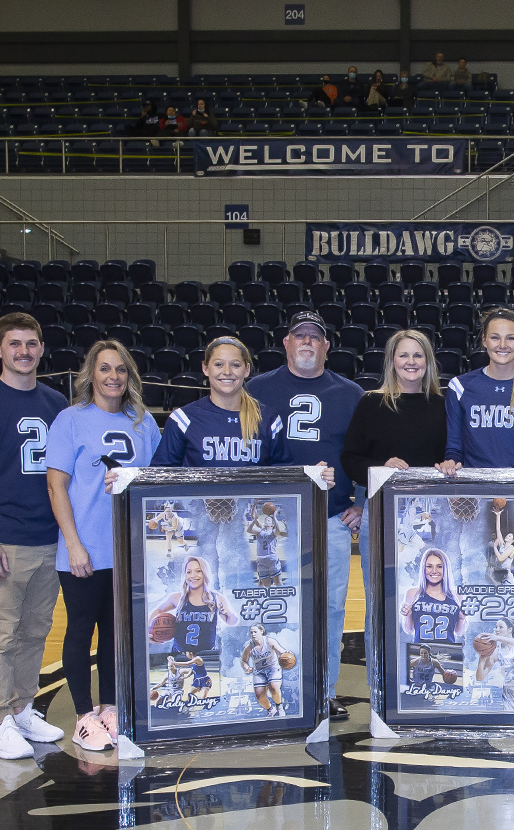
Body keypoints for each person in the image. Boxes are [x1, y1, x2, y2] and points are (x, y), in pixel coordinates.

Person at [0, 313, 70, 761]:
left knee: (36, 630)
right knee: (1, 633)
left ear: (42, 349)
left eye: (32, 343)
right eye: (15, 343)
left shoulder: (56, 402)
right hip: (7, 538)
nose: (24, 351)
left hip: (51, 538)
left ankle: (23, 706)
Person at [247, 311, 365, 716]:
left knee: (330, 608)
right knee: (271, 606)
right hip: (271, 528)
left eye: (316, 337)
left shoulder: (351, 393)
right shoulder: (255, 389)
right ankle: (266, 688)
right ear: (286, 342)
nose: (308, 343)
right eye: (301, 336)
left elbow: (365, 452)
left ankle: (324, 690)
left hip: (330, 519)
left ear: (327, 346)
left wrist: (361, 501)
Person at [45, 341, 160, 752]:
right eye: (105, 368)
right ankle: (82, 715)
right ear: (91, 374)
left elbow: (156, 482)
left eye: (121, 370)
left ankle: (109, 708)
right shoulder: (70, 420)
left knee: (116, 633)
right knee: (80, 630)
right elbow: (56, 485)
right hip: (85, 547)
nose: (113, 377)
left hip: (127, 550)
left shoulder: (144, 422)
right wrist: (74, 544)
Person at [341, 329, 449, 638]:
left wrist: (447, 464)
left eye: (418, 355)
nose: (411, 362)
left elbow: (454, 456)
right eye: (403, 355)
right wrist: (380, 468)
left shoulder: (443, 406)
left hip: (432, 521)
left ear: (428, 362)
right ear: (392, 361)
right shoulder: (371, 404)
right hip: (382, 521)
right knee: (381, 601)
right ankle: (381, 681)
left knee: (429, 598)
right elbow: (350, 458)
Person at [440, 308, 514, 474]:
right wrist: (451, 462)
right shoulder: (460, 387)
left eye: (510, 338)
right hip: (476, 489)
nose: (502, 345)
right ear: (484, 340)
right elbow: (454, 449)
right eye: (495, 337)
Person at [151, 337, 289, 468]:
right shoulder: (183, 419)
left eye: (235, 365)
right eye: (218, 364)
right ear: (205, 368)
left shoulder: (268, 419)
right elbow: (160, 477)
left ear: (246, 370)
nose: (227, 371)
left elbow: (284, 476)